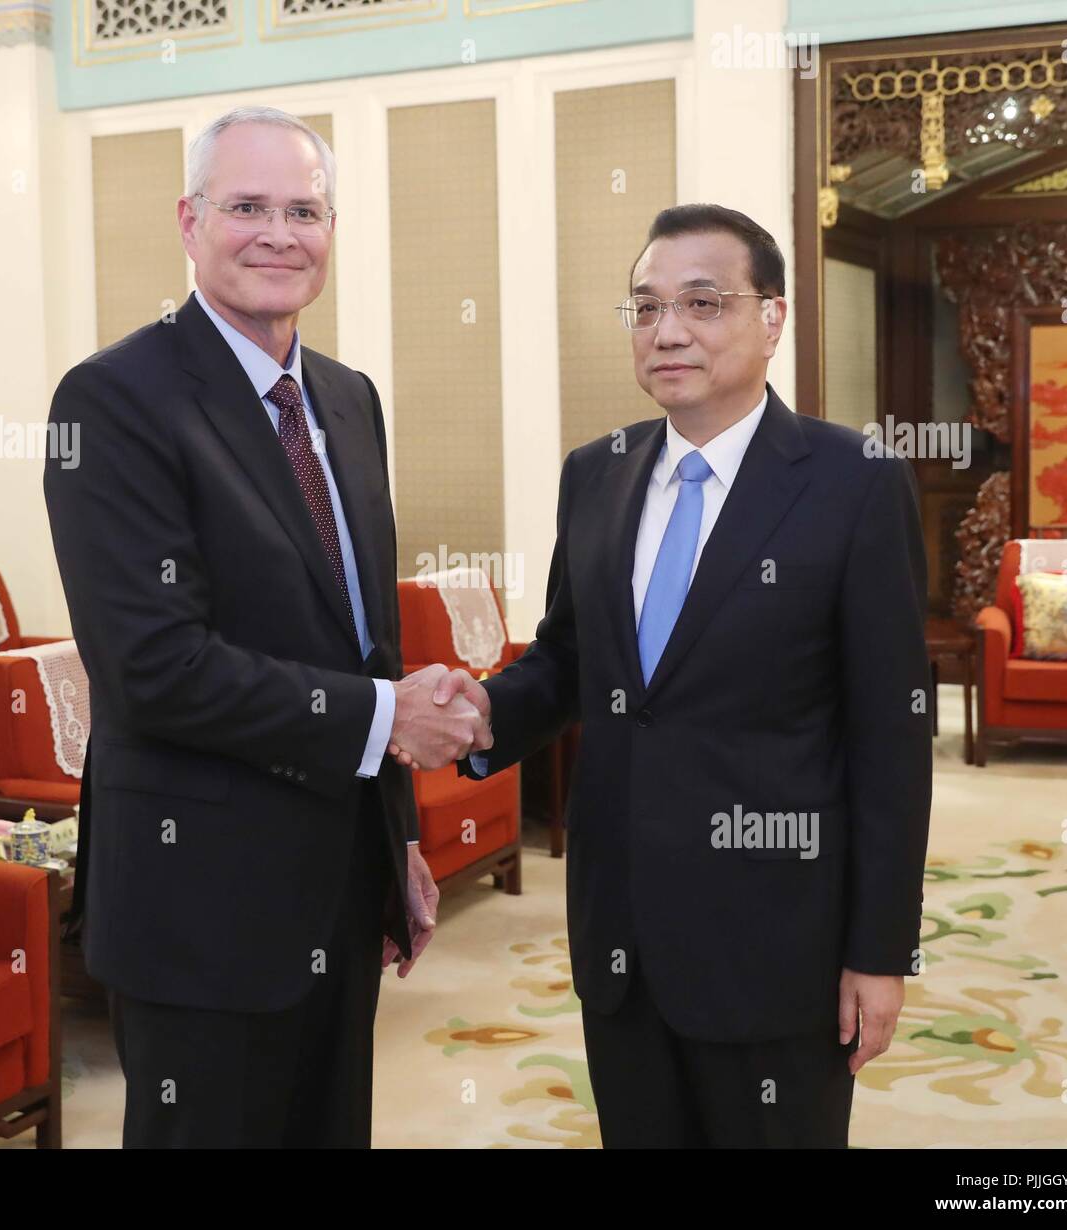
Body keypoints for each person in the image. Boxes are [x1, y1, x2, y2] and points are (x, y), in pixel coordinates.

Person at [395, 204, 932, 1148]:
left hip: (779, 941)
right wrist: (483, 714)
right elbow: (568, 659)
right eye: (644, 308)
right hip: (623, 934)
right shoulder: (595, 473)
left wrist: (880, 953)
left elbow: (892, 736)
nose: (668, 330)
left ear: (772, 318)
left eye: (701, 302)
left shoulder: (854, 481)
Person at [44, 106, 488, 1148]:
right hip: (198, 899)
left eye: (303, 210)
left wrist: (400, 841)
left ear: (332, 230)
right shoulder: (110, 401)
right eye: (247, 206)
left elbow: (360, 640)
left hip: (338, 883)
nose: (277, 234)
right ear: (190, 221)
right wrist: (386, 719)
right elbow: (156, 667)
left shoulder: (348, 398)